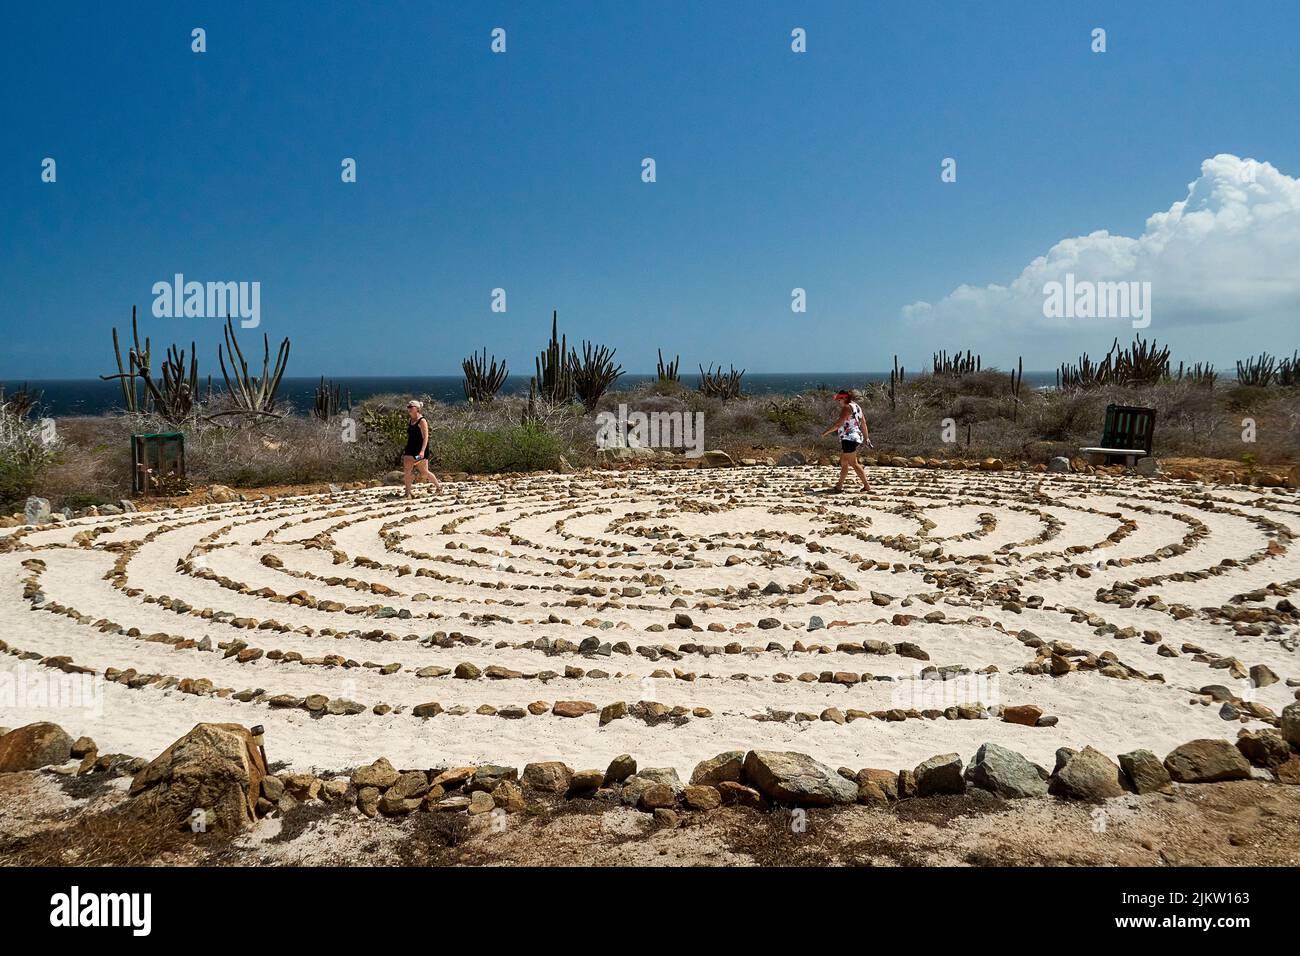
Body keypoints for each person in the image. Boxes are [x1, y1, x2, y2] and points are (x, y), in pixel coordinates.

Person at [820, 389, 871, 492]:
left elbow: (838, 424)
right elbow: (864, 423)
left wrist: (826, 432)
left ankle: (864, 485)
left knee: (852, 463)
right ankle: (840, 485)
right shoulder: (856, 406)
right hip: (855, 437)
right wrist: (866, 438)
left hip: (849, 438)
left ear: (845, 398)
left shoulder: (847, 408)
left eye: (839, 399)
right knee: (845, 462)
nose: (838, 401)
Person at [402, 400, 441, 498]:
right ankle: (407, 492)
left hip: (420, 449)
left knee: (424, 471)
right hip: (410, 448)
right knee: (407, 469)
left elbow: (426, 437)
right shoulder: (410, 420)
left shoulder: (422, 421)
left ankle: (438, 487)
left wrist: (422, 451)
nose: (409, 409)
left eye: (411, 407)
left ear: (417, 408)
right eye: (408, 407)